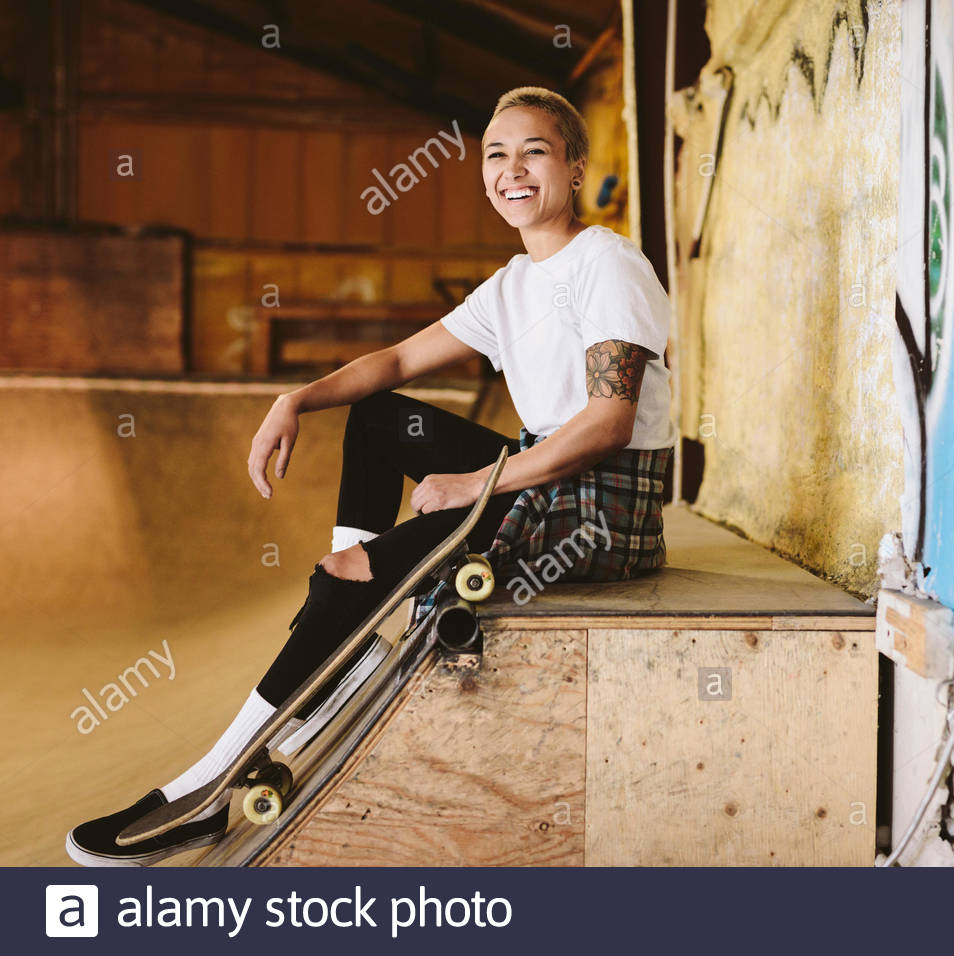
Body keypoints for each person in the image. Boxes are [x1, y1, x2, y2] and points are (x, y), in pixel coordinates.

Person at [67, 87, 676, 866]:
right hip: (540, 475)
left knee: (355, 570)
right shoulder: (513, 285)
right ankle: (349, 637)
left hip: (597, 507)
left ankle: (207, 791)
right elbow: (392, 363)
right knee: (381, 415)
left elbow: (607, 424)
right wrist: (294, 400)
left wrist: (466, 487)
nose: (511, 170)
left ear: (575, 167)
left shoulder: (608, 264)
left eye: (534, 152)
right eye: (495, 154)